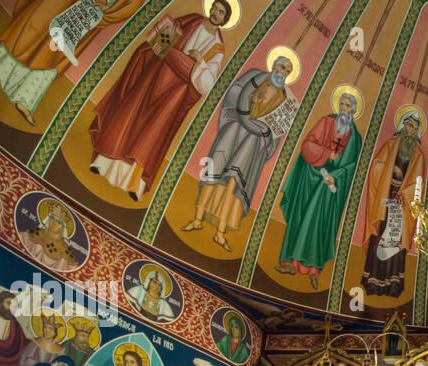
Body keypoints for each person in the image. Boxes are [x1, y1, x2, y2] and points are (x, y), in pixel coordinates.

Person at [89, 1, 230, 200]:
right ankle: (103, 162)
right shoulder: (191, 20)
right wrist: (159, 50)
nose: (215, 13)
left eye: (221, 12)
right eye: (215, 8)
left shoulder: (218, 48)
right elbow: (160, 41)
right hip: (158, 72)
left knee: (151, 135)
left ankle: (133, 183)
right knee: (130, 115)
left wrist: (200, 61)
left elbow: (206, 84)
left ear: (225, 19)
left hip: (178, 91)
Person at [182, 55, 298, 251]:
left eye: (287, 71)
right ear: (274, 65)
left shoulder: (286, 100)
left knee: (234, 182)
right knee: (215, 170)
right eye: (282, 67)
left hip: (254, 142)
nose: (283, 73)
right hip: (234, 128)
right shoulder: (255, 76)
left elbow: (276, 132)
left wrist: (263, 135)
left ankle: (220, 233)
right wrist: (246, 118)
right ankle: (197, 218)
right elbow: (235, 94)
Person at [0, 0, 141, 126]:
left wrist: (104, 10)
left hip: (86, 15)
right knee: (31, 29)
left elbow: (128, 6)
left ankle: (25, 100)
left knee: (54, 55)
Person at [277, 88, 363, 287]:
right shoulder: (326, 122)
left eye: (348, 106)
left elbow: (350, 166)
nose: (343, 109)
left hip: (329, 184)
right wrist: (326, 154)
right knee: (299, 218)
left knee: (317, 223)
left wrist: (336, 178)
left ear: (353, 111)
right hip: (309, 177)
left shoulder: (354, 138)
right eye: (342, 104)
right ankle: (288, 262)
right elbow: (308, 144)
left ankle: (313, 269)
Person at [361, 108, 426, 298]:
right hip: (385, 197)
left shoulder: (419, 156)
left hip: (401, 204)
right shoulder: (390, 145)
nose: (411, 131)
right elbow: (376, 167)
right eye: (409, 126)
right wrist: (390, 175)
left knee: (395, 241)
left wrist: (403, 194)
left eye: (415, 128)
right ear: (403, 126)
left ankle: (393, 285)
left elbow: (417, 184)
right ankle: (372, 280)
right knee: (380, 236)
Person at [20, 199, 82, 271]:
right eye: (52, 218)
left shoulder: (66, 250)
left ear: (63, 228)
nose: (54, 224)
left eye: (58, 222)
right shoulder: (35, 233)